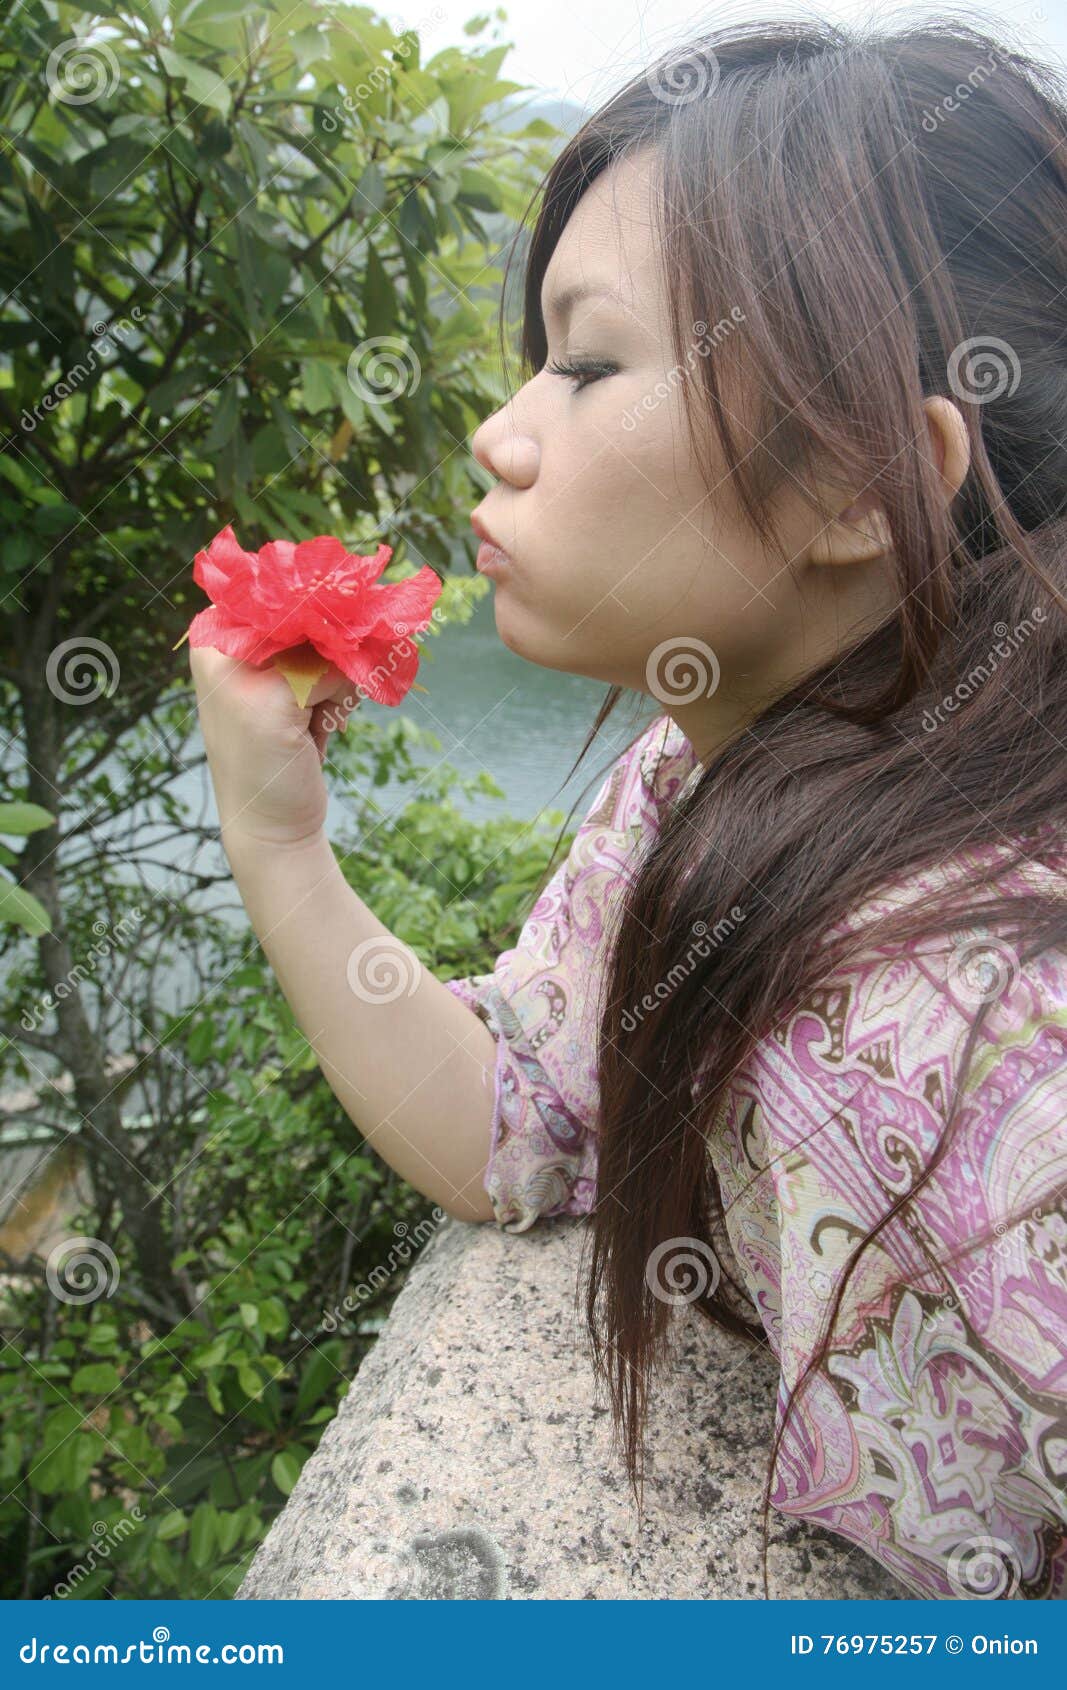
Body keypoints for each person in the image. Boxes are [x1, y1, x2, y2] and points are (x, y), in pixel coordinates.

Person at [192, 15, 1067, 1600]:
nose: (499, 431)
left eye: (588, 364)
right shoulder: (712, 757)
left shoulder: (978, 1030)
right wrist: (279, 839)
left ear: (860, 486)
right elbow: (522, 1115)